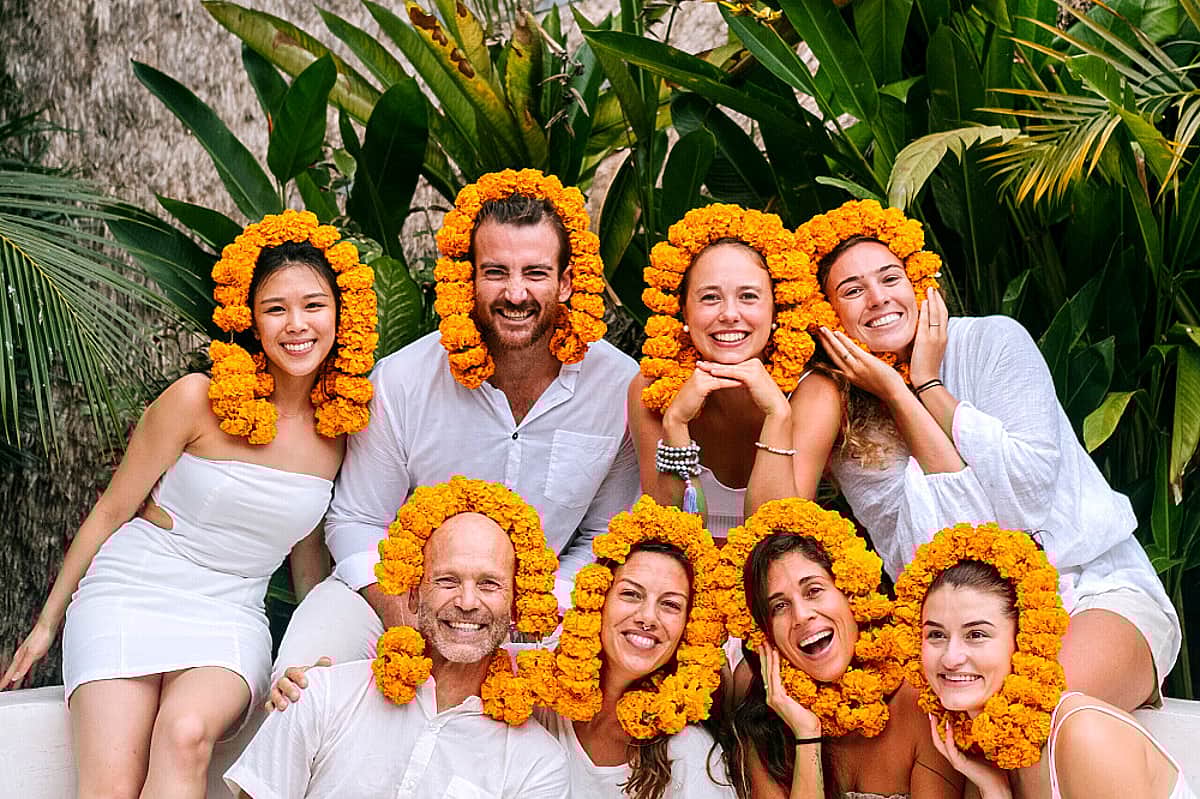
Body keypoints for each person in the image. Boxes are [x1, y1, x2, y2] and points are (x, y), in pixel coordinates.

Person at [0, 209, 377, 798]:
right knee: (111, 786)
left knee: (186, 732)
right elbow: (109, 510)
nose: (296, 325)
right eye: (276, 308)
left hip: (231, 614)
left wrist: (315, 654)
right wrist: (47, 623)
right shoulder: (196, 400)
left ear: (340, 313)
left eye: (314, 305)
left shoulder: (342, 429)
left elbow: (307, 559)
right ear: (250, 320)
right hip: (130, 591)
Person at [786, 199, 1179, 710]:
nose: (878, 299)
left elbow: (1028, 495)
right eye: (852, 291)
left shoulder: (993, 341)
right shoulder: (852, 426)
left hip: (1095, 589)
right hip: (960, 633)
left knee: (1027, 713)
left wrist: (926, 384)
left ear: (917, 281)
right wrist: (895, 394)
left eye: (889, 278)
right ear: (828, 314)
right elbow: (941, 554)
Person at [275, 168, 639, 678]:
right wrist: (406, 614)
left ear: (567, 281)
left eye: (535, 273)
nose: (515, 293)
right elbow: (356, 520)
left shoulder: (618, 387)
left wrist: (543, 607)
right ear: (468, 278)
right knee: (304, 677)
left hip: (541, 613)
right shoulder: (403, 380)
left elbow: (604, 533)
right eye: (495, 272)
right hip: (404, 595)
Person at [225, 477, 569, 798]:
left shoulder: (538, 764)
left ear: (516, 603)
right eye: (447, 581)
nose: (467, 602)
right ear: (414, 593)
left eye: (488, 584)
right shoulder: (321, 695)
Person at [897, 522, 1195, 799]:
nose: (951, 657)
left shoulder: (1085, 734)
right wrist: (993, 789)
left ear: (1024, 639)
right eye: (936, 634)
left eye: (976, 634)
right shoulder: (992, 748)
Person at [723, 499, 962, 799]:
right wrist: (807, 734)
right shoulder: (763, 725)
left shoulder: (921, 703)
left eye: (814, 590)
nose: (801, 615)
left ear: (852, 594)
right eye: (779, 606)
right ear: (766, 633)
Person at [630, 203, 817, 541]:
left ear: (777, 307)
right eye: (710, 298)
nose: (730, 314)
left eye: (748, 296)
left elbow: (779, 537)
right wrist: (675, 423)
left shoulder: (812, 391)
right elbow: (669, 538)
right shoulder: (651, 387)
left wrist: (777, 415)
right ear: (682, 311)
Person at [538, 496, 736, 798]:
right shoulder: (542, 704)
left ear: (688, 627)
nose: (647, 617)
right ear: (599, 599)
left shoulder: (688, 752)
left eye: (670, 604)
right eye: (631, 594)